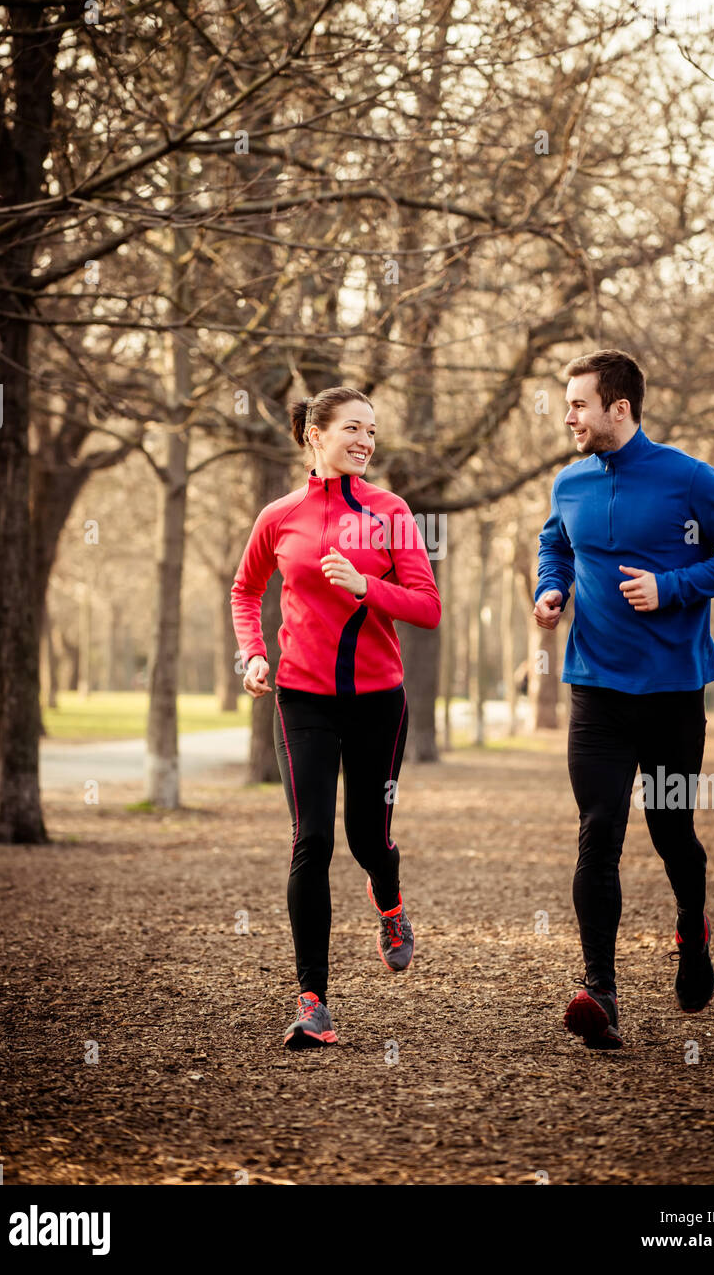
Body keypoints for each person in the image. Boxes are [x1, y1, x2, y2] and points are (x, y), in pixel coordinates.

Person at [534, 350, 714, 1049]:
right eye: (565, 403)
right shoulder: (569, 483)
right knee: (597, 830)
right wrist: (553, 587)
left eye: (578, 403)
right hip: (595, 690)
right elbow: (557, 546)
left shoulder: (687, 479)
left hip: (669, 691)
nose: (567, 415)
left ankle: (692, 930)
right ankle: (598, 991)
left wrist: (672, 588)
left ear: (619, 408)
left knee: (671, 833)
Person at [231, 386, 441, 1049]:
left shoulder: (391, 512)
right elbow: (245, 590)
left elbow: (426, 606)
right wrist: (254, 655)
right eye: (352, 428)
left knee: (365, 839)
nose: (365, 441)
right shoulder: (279, 516)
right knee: (310, 840)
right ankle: (312, 1001)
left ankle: (391, 905)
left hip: (379, 699)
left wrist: (364, 586)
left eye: (372, 432)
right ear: (313, 435)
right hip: (302, 697)